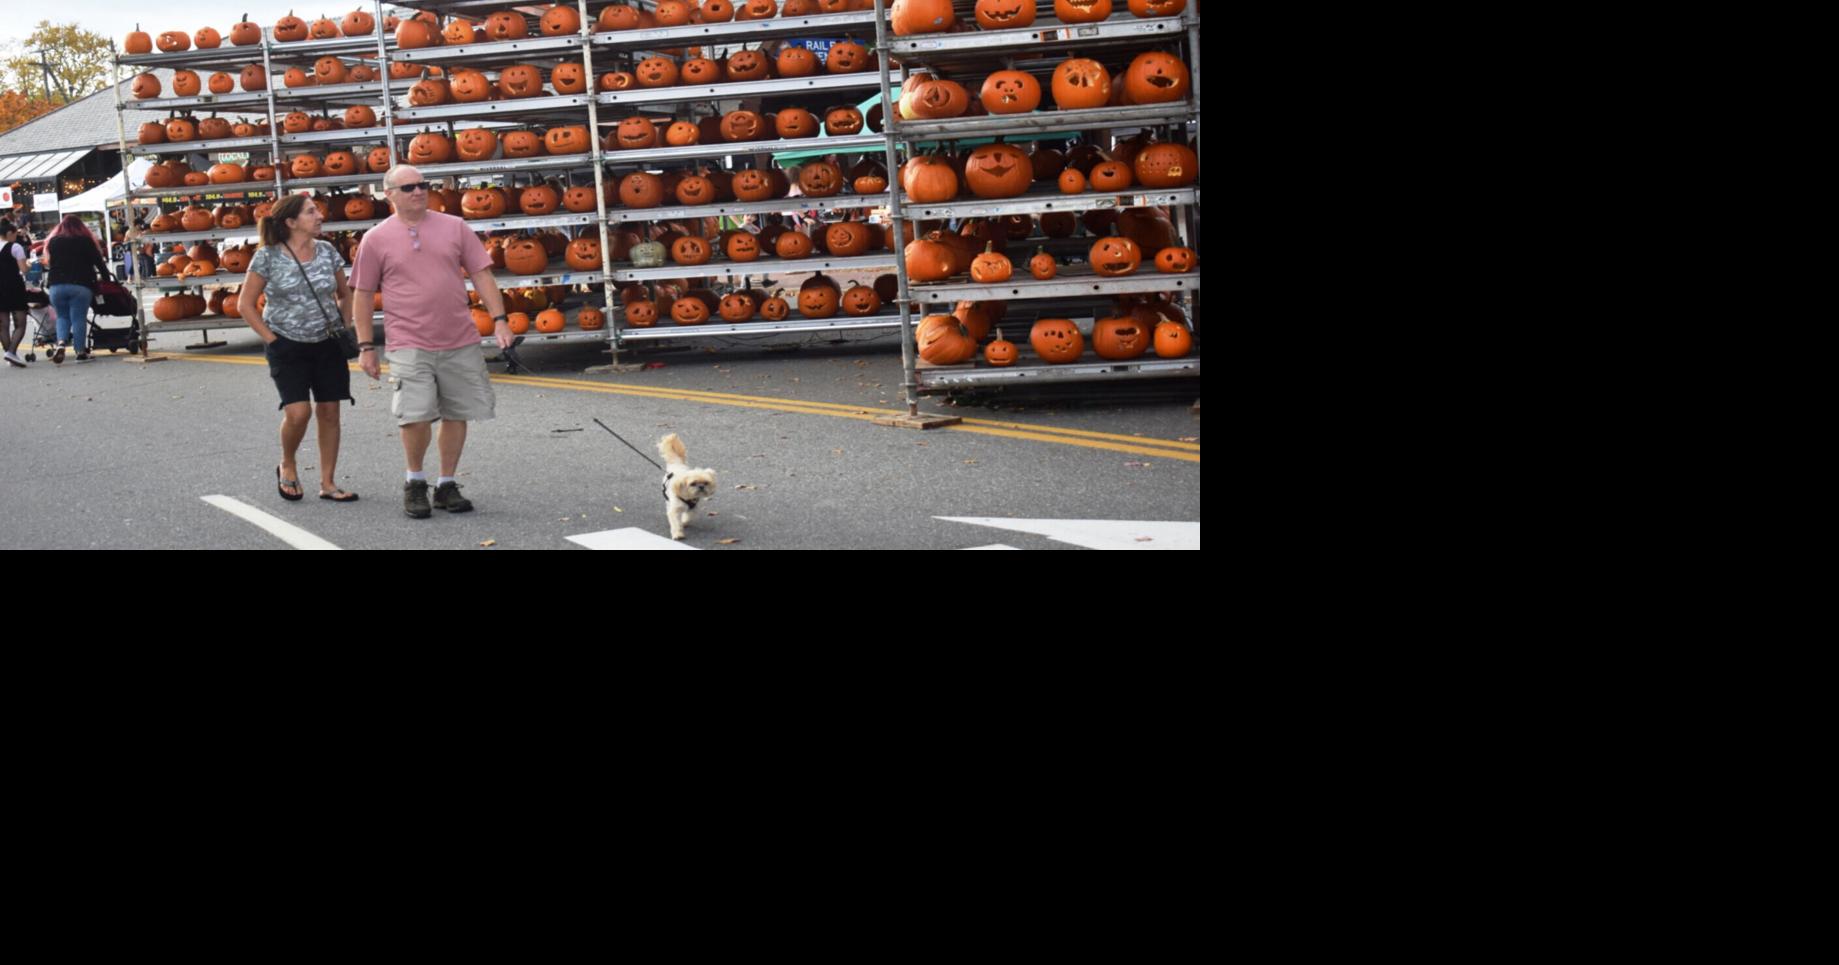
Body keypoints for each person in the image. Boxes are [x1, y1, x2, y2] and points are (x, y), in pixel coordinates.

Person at [350, 165, 513, 520]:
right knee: (415, 415)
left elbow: (482, 274)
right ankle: (415, 481)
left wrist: (499, 320)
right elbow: (362, 295)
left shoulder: (454, 226)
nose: (418, 191)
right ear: (389, 194)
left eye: (423, 185)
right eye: (408, 187)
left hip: (459, 338)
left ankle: (446, 483)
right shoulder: (375, 238)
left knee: (457, 413)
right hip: (409, 341)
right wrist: (365, 347)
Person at [238, 194, 361, 503]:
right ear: (291, 222)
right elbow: (245, 304)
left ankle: (328, 482)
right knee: (298, 412)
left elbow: (345, 295)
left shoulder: (328, 252)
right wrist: (273, 340)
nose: (319, 215)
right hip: (286, 344)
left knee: (330, 411)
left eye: (317, 210)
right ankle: (288, 462)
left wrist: (345, 328)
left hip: (327, 343)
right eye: (311, 212)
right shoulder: (267, 257)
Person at [43, 215, 114, 364]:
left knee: (62, 316)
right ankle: (80, 352)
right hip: (80, 284)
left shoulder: (54, 242)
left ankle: (61, 343)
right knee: (78, 318)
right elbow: (99, 263)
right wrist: (107, 280)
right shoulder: (85, 241)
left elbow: (50, 262)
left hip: (56, 285)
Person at [2, 220, 29, 368]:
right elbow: (24, 269)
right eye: (14, 234)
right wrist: (29, 265)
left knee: (3, 325)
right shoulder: (15, 247)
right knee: (20, 322)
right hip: (14, 286)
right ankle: (11, 352)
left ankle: (9, 354)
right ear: (8, 234)